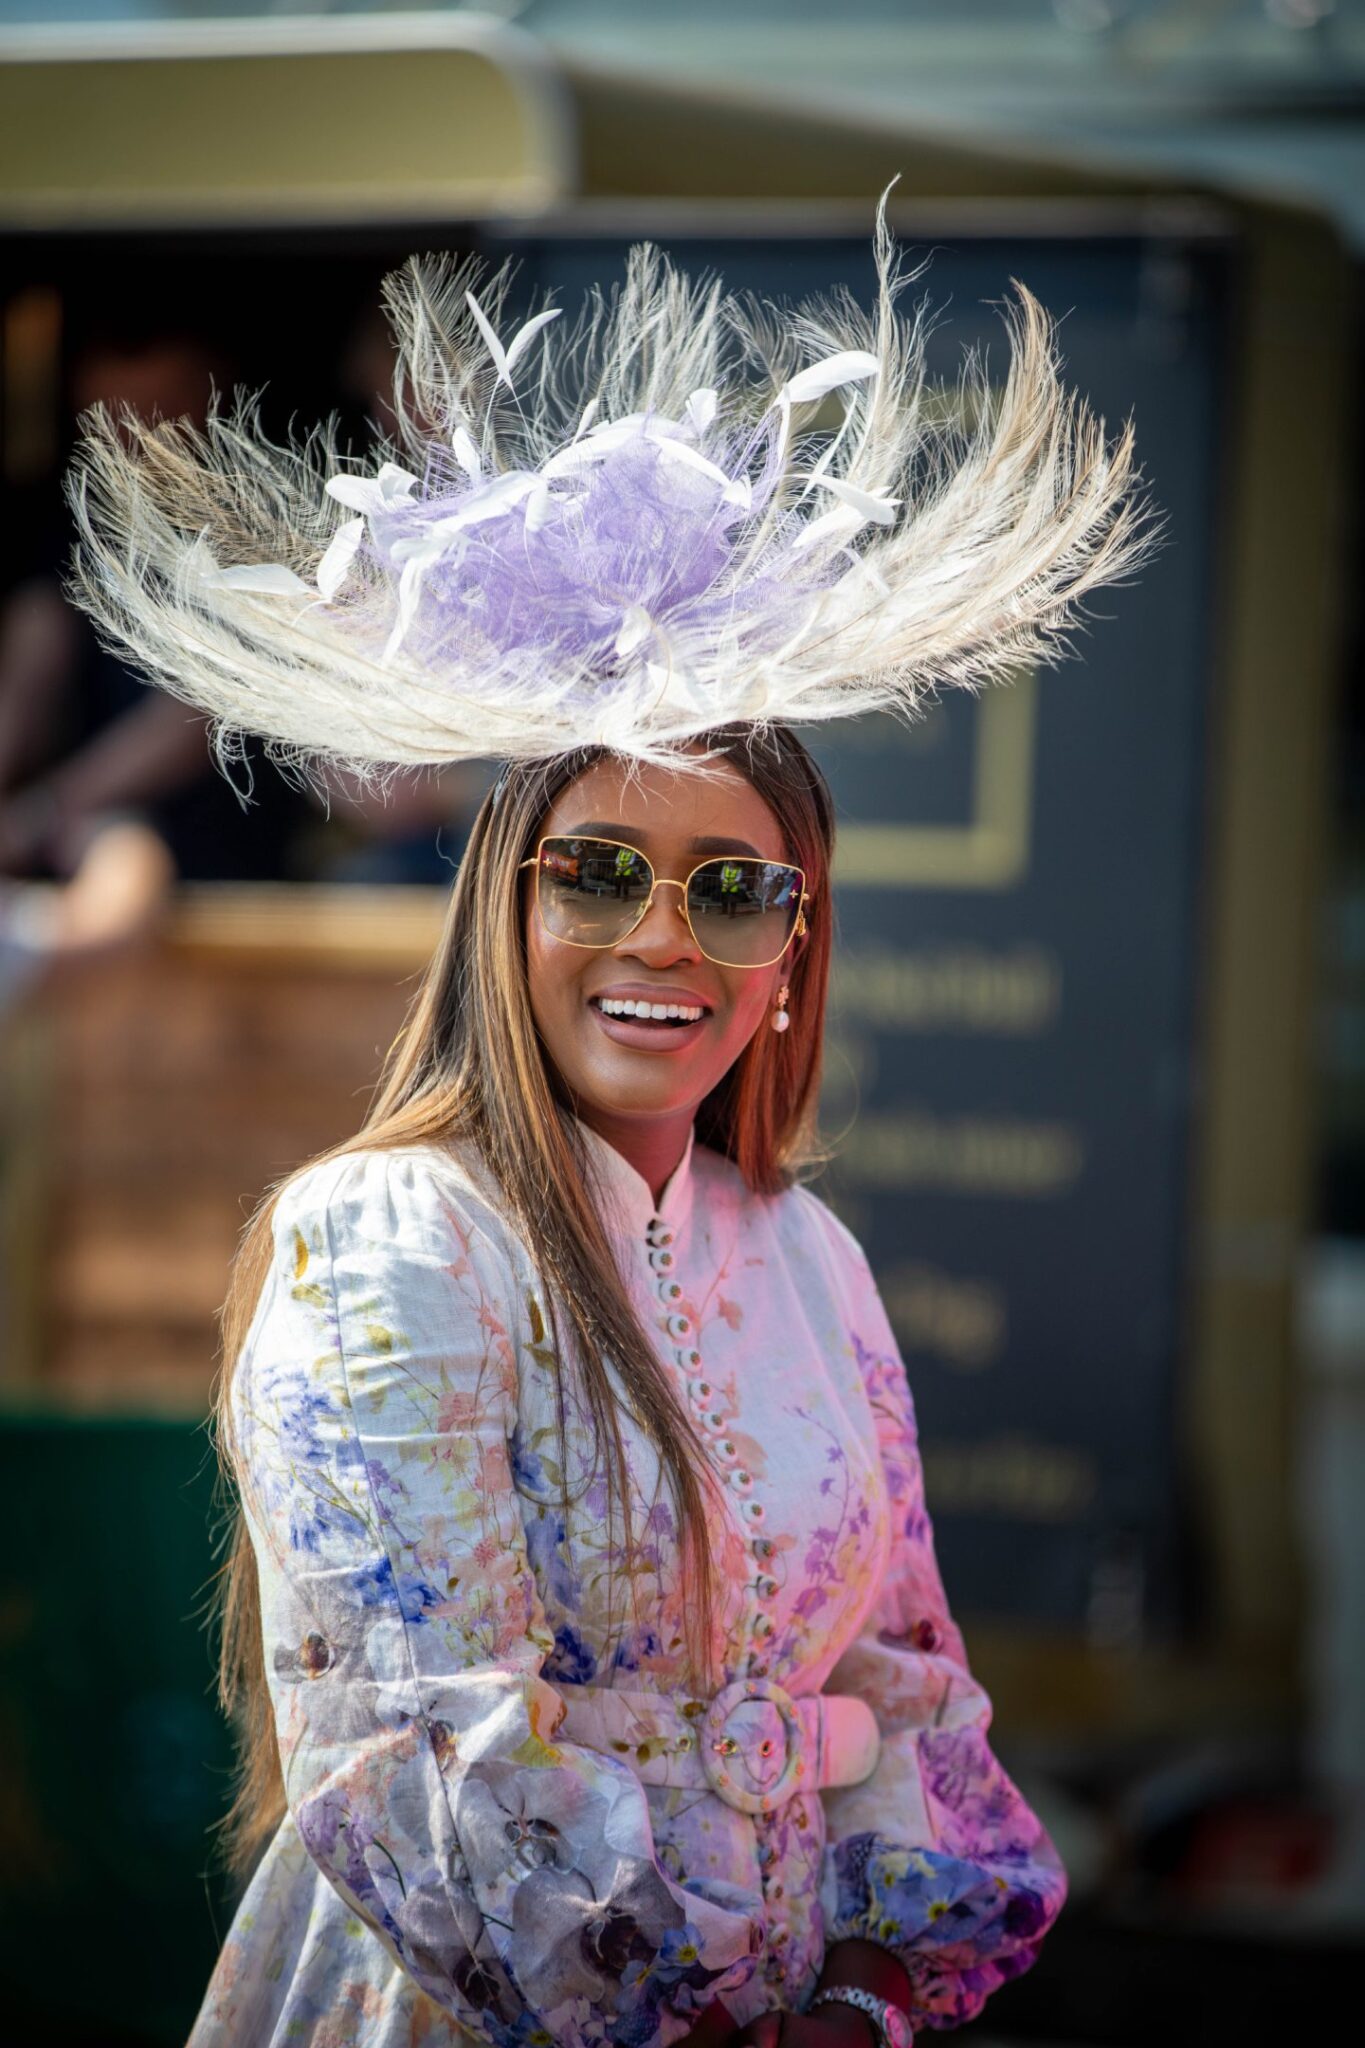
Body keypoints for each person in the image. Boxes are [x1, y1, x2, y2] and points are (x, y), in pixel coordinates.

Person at [63, 183, 1158, 2045]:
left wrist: (872, 1999)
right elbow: (418, 1768)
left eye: (733, 888)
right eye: (597, 870)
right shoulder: (391, 1237)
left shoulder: (810, 1255)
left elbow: (908, 1695)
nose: (663, 934)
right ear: (506, 908)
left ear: (797, 949)